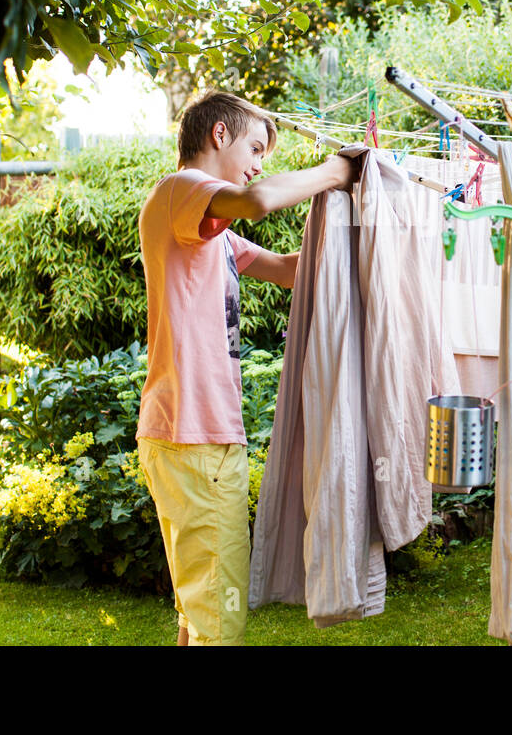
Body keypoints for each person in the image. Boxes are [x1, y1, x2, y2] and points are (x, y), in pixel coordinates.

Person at [136, 89, 360, 645]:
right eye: (255, 148)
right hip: (197, 437)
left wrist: (362, 234)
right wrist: (334, 171)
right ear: (219, 135)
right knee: (221, 622)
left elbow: (288, 270)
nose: (260, 164)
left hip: (189, 437)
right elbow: (258, 199)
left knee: (200, 609)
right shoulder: (181, 189)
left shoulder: (211, 235)